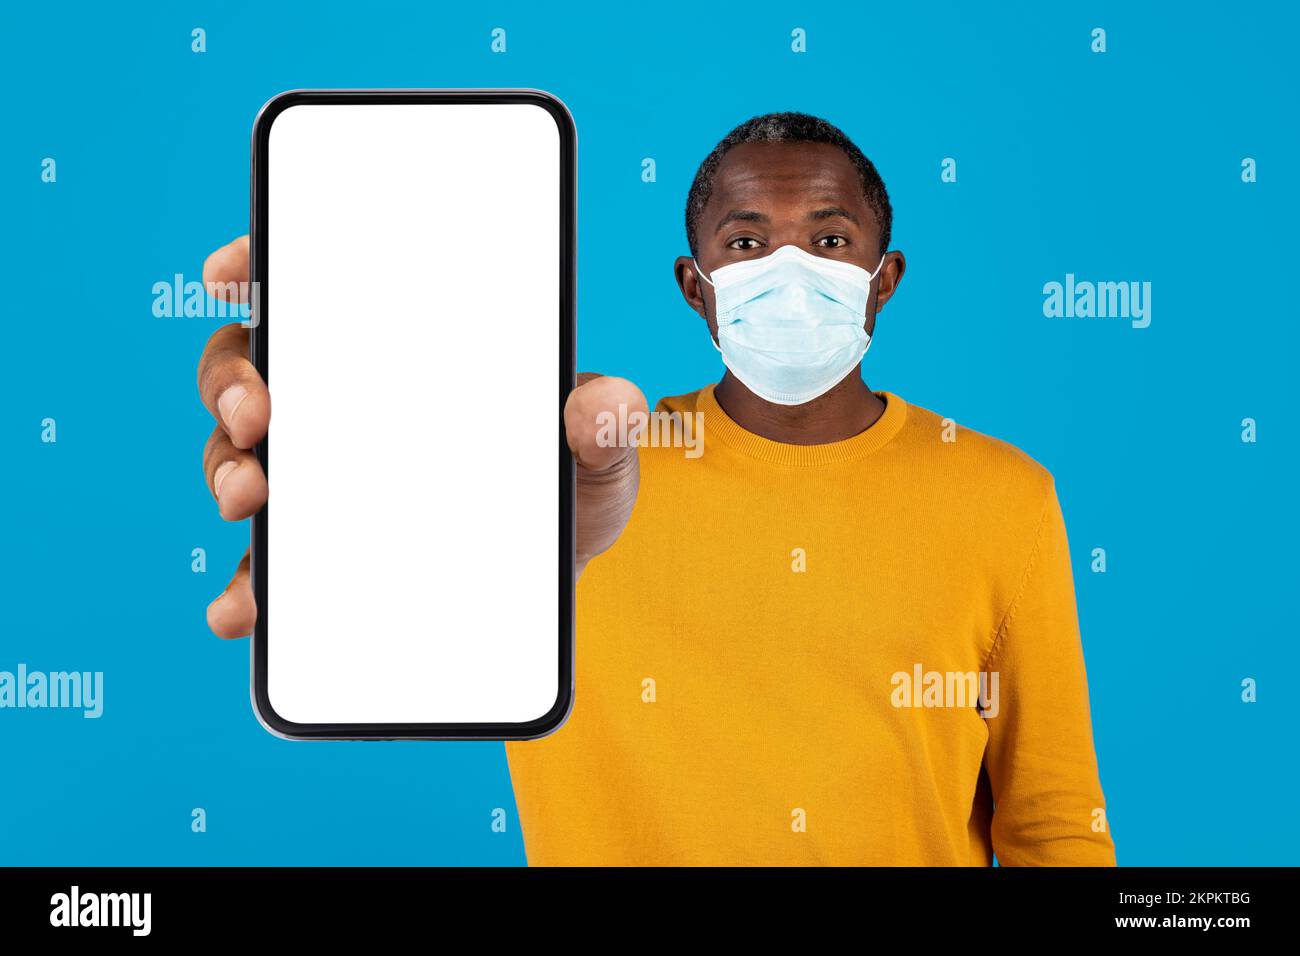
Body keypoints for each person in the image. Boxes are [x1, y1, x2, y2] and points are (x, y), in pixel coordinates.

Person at [198, 111, 1116, 866]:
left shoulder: (1004, 496)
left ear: (885, 279)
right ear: (696, 284)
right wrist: (358, 468)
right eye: (746, 242)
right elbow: (406, 639)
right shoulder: (570, 479)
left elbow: (1053, 826)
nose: (789, 272)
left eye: (830, 239)